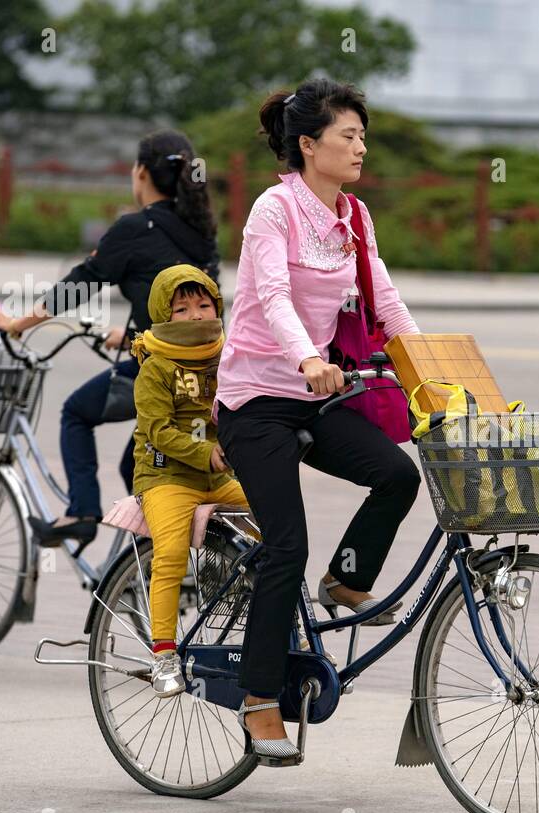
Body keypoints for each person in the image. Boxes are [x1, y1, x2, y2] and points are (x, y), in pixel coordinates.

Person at [214, 79, 422, 759]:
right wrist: (307, 357)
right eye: (348, 135)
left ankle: (348, 581)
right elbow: (271, 296)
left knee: (395, 472)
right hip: (256, 400)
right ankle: (259, 698)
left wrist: (436, 376)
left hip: (317, 395)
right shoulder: (273, 211)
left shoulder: (354, 217)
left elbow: (385, 303)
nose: (361, 146)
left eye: (363, 135)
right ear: (309, 145)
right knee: (285, 545)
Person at [0, 130, 220, 547]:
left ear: (141, 173)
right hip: (204, 372)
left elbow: (81, 284)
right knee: (138, 464)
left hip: (159, 372)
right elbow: (170, 302)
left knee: (75, 413)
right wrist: (130, 336)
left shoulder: (135, 227)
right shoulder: (197, 229)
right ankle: (158, 556)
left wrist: (17, 324)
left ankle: (83, 513)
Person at [129, 264, 249, 699]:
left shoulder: (227, 354)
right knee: (172, 553)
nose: (197, 315)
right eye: (182, 309)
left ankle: (238, 600)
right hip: (166, 477)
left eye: (204, 305)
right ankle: (162, 654)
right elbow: (158, 430)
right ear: (163, 316)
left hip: (218, 475)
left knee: (271, 520)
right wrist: (206, 453)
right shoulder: (156, 366)